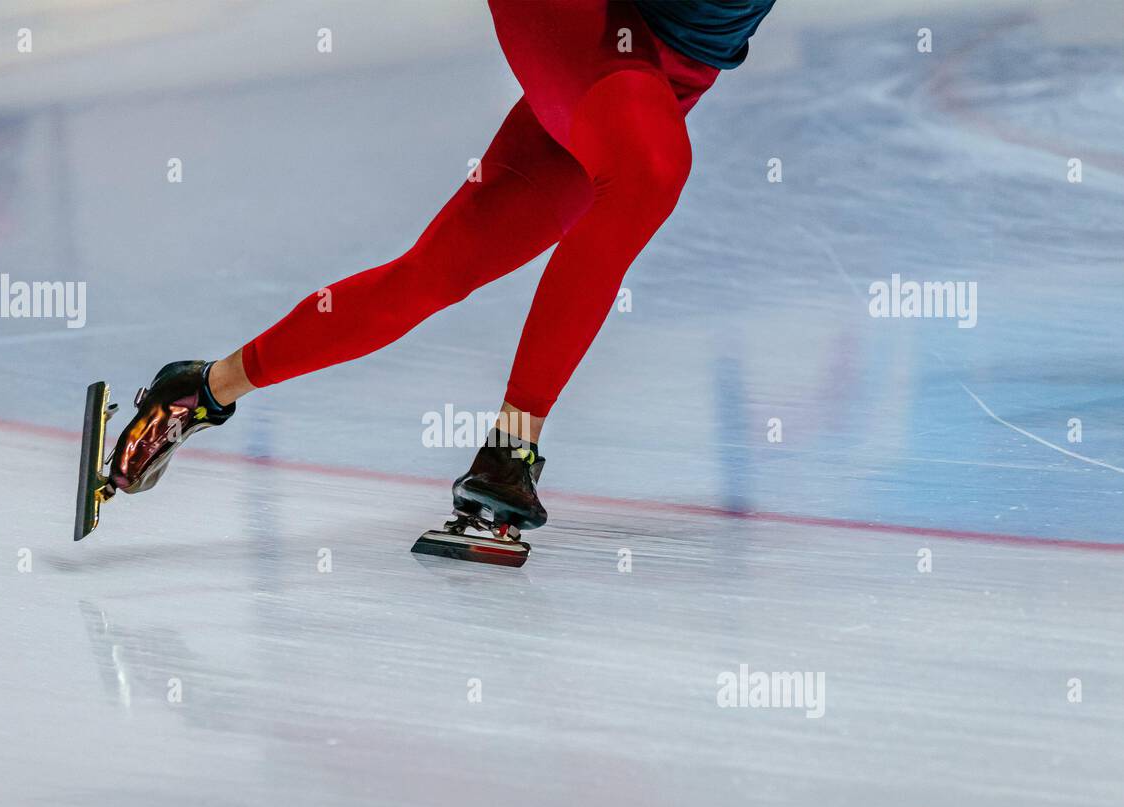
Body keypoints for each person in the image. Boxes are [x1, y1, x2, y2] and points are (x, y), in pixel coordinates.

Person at [104, 0, 776, 540]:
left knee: (434, 274)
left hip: (654, 75)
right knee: (647, 172)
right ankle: (511, 452)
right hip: (592, 28)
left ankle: (201, 389)